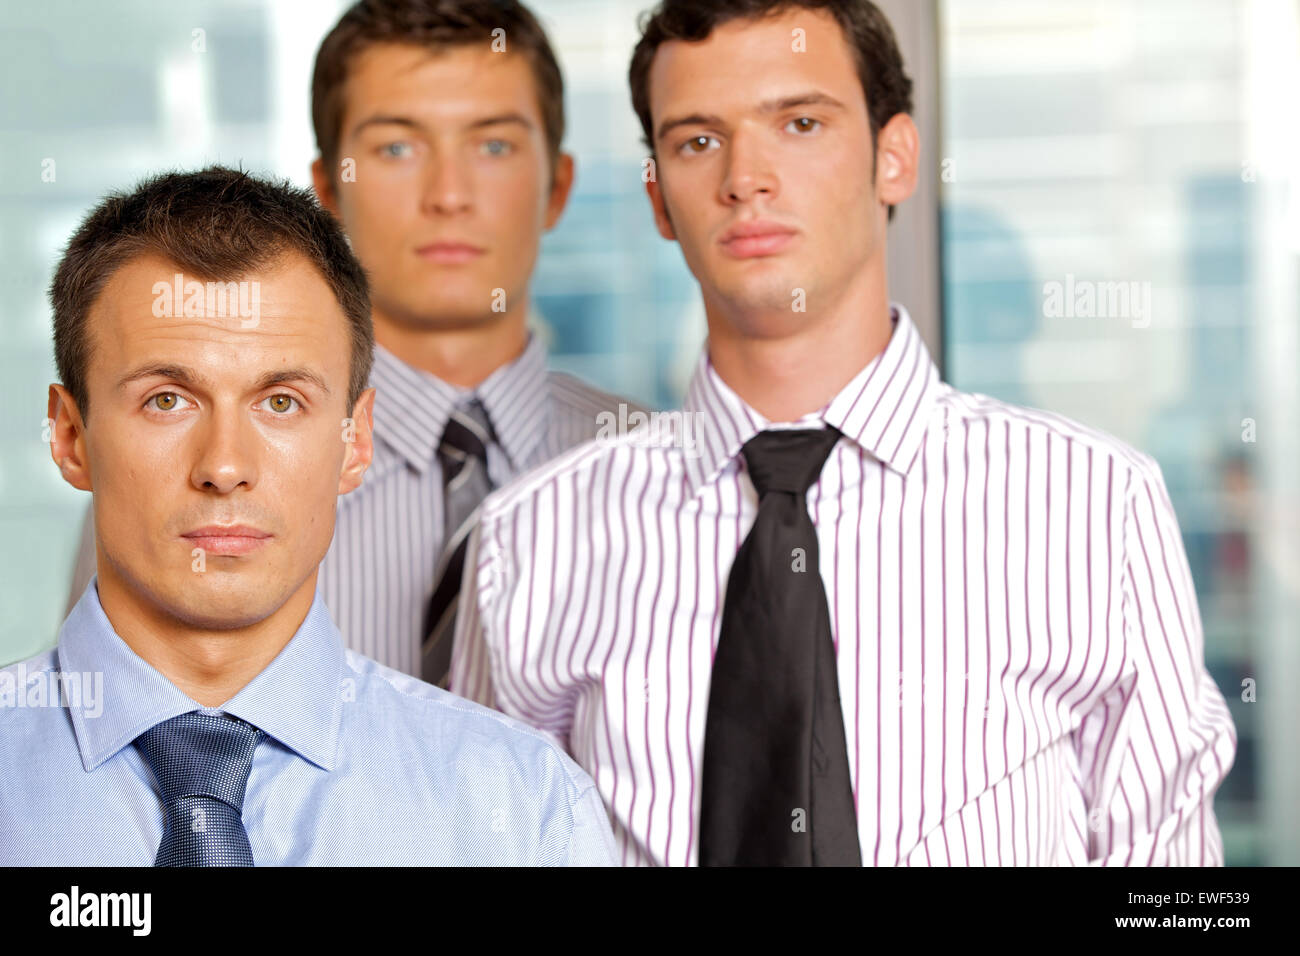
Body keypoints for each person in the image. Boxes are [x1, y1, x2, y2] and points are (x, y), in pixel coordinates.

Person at [450, 0, 1237, 866]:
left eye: (799, 122)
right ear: (660, 200)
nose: (746, 176)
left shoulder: (1092, 503)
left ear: (894, 156)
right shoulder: (531, 539)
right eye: (697, 140)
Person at [1, 167, 617, 866]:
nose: (225, 466)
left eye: (281, 402)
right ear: (70, 438)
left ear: (355, 441)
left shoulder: (525, 810)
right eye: (168, 400)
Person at [66, 0, 647, 687]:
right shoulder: (188, 489)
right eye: (396, 147)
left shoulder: (660, 474)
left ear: (558, 187)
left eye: (493, 145)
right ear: (327, 192)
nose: (448, 195)